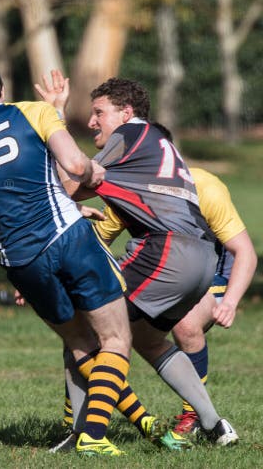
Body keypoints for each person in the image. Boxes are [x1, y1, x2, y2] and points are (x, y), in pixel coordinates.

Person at [0, 60, 164, 457]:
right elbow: (76, 166)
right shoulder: (32, 111)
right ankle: (94, 437)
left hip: (19, 260)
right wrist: (95, 172)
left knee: (82, 345)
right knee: (116, 339)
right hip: (67, 240)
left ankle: (142, 422)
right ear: (1, 89)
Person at [38, 72, 239, 447]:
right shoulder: (155, 142)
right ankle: (215, 426)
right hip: (200, 260)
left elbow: (72, 182)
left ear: (126, 112)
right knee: (148, 340)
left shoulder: (129, 135)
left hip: (166, 252)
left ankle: (85, 433)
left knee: (85, 326)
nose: (93, 121)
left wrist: (55, 117)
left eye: (100, 112)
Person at [98, 123, 257, 436]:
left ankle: (193, 418)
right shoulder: (138, 190)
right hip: (168, 272)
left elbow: (245, 253)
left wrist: (232, 302)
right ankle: (79, 422)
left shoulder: (205, 186)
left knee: (185, 324)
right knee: (99, 318)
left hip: (213, 276)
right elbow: (97, 236)